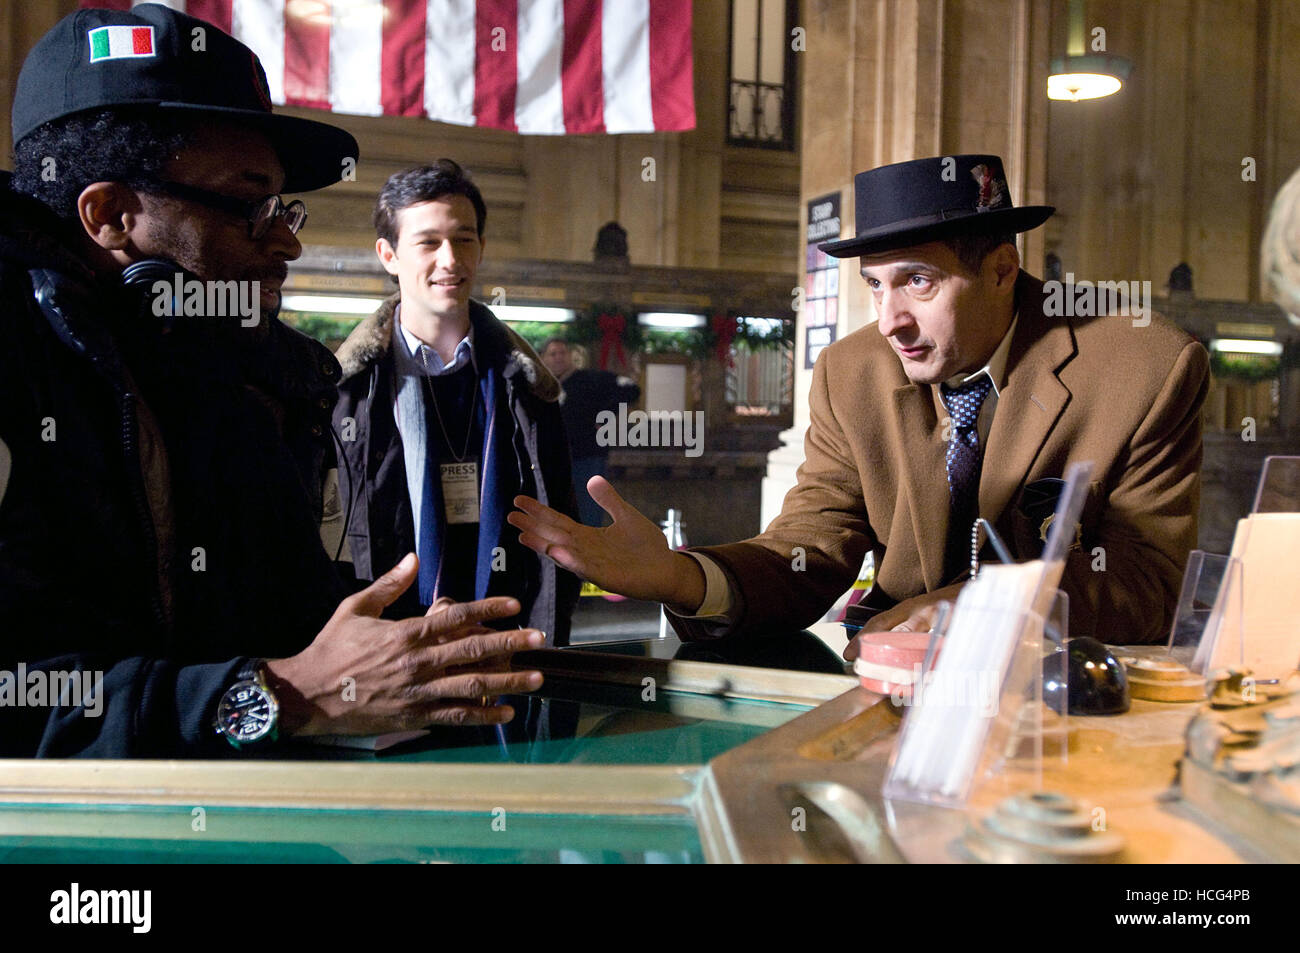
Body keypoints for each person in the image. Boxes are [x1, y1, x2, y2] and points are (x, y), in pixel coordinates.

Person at [0, 4, 545, 758]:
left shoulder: (232, 373)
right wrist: (277, 693)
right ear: (113, 214)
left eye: (281, 206)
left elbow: (289, 620)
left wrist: (415, 652)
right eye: (250, 206)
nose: (287, 239)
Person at [510, 155, 1210, 649]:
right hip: (888, 687)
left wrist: (988, 607)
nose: (889, 319)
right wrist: (680, 574)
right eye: (876, 284)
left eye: (919, 282)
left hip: (1065, 704)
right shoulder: (852, 373)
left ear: (1002, 270)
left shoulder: (1147, 369)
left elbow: (1148, 587)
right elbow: (805, 554)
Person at [332, 162, 580, 644]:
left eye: (464, 240)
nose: (450, 259)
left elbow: (558, 523)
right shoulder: (344, 391)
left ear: (482, 249)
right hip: (387, 640)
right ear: (388, 255)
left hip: (510, 631)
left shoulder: (529, 389)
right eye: (428, 242)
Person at [539, 338, 641, 526]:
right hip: (557, 459)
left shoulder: (590, 379)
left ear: (570, 356)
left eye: (563, 352)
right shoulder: (545, 387)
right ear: (544, 359)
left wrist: (606, 416)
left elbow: (630, 388)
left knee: (588, 511)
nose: (559, 357)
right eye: (553, 354)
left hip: (587, 457)